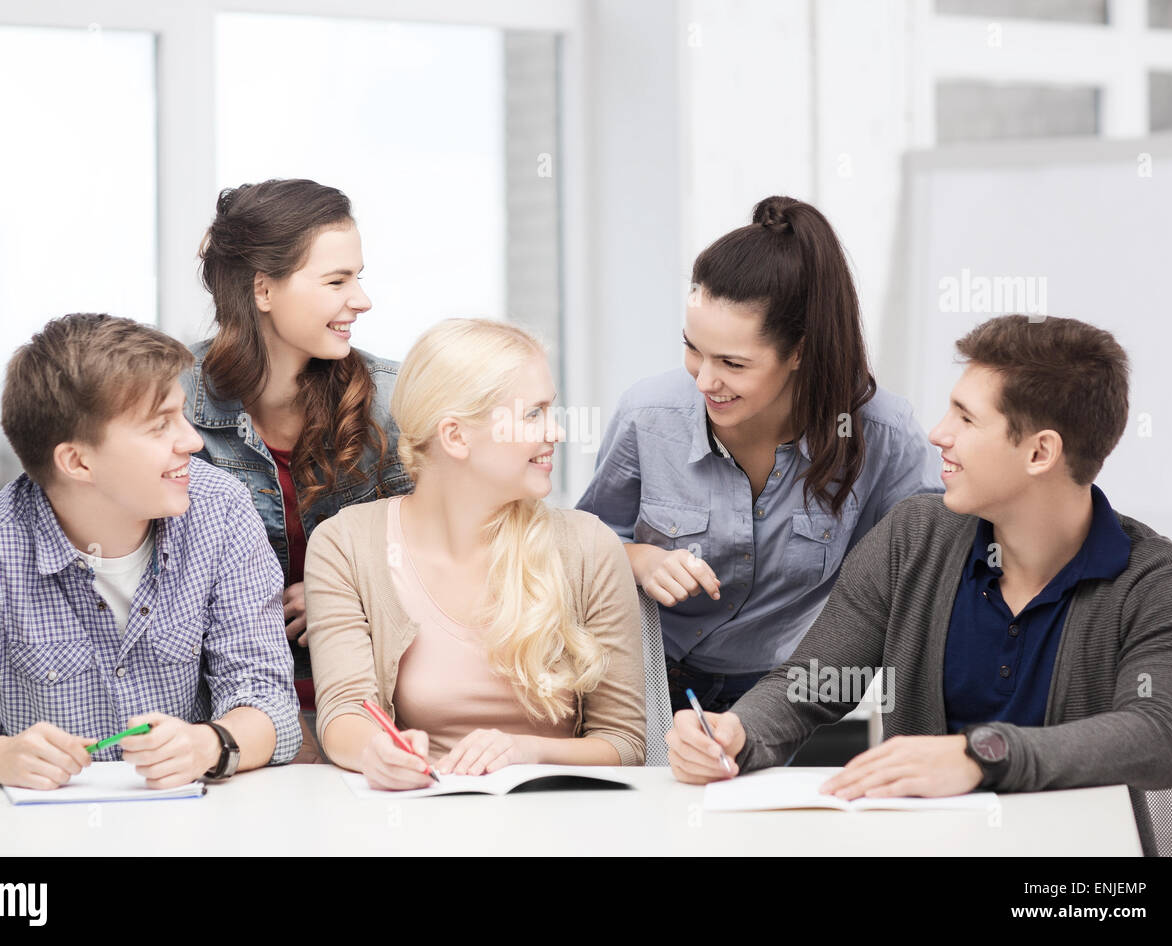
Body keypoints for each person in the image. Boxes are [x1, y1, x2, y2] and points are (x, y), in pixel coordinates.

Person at [666, 315, 1172, 855]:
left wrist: (977, 755)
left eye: (966, 419)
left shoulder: (1159, 582)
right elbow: (814, 684)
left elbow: (1158, 735)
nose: (939, 434)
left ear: (1040, 452)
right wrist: (737, 732)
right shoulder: (912, 537)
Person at [0, 314, 300, 789]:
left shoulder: (220, 510)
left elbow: (268, 699)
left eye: (182, 413)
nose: (192, 441)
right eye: (159, 426)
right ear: (77, 461)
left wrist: (209, 744)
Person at [577, 195, 941, 713]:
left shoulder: (883, 433)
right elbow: (584, 546)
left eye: (732, 362)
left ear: (800, 352)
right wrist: (640, 559)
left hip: (790, 698)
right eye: (692, 348)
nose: (705, 379)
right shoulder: (648, 414)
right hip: (649, 681)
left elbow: (927, 572)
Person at [304, 318, 646, 790]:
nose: (557, 432)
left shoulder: (589, 547)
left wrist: (528, 753)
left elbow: (624, 744)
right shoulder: (345, 546)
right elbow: (344, 713)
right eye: (534, 414)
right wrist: (377, 754)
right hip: (419, 811)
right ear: (457, 437)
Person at [184, 179, 411, 758]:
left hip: (380, 709)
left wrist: (351, 587)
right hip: (225, 718)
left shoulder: (394, 399)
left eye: (358, 277)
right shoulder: (173, 406)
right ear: (263, 289)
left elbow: (474, 546)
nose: (361, 300)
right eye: (337, 281)